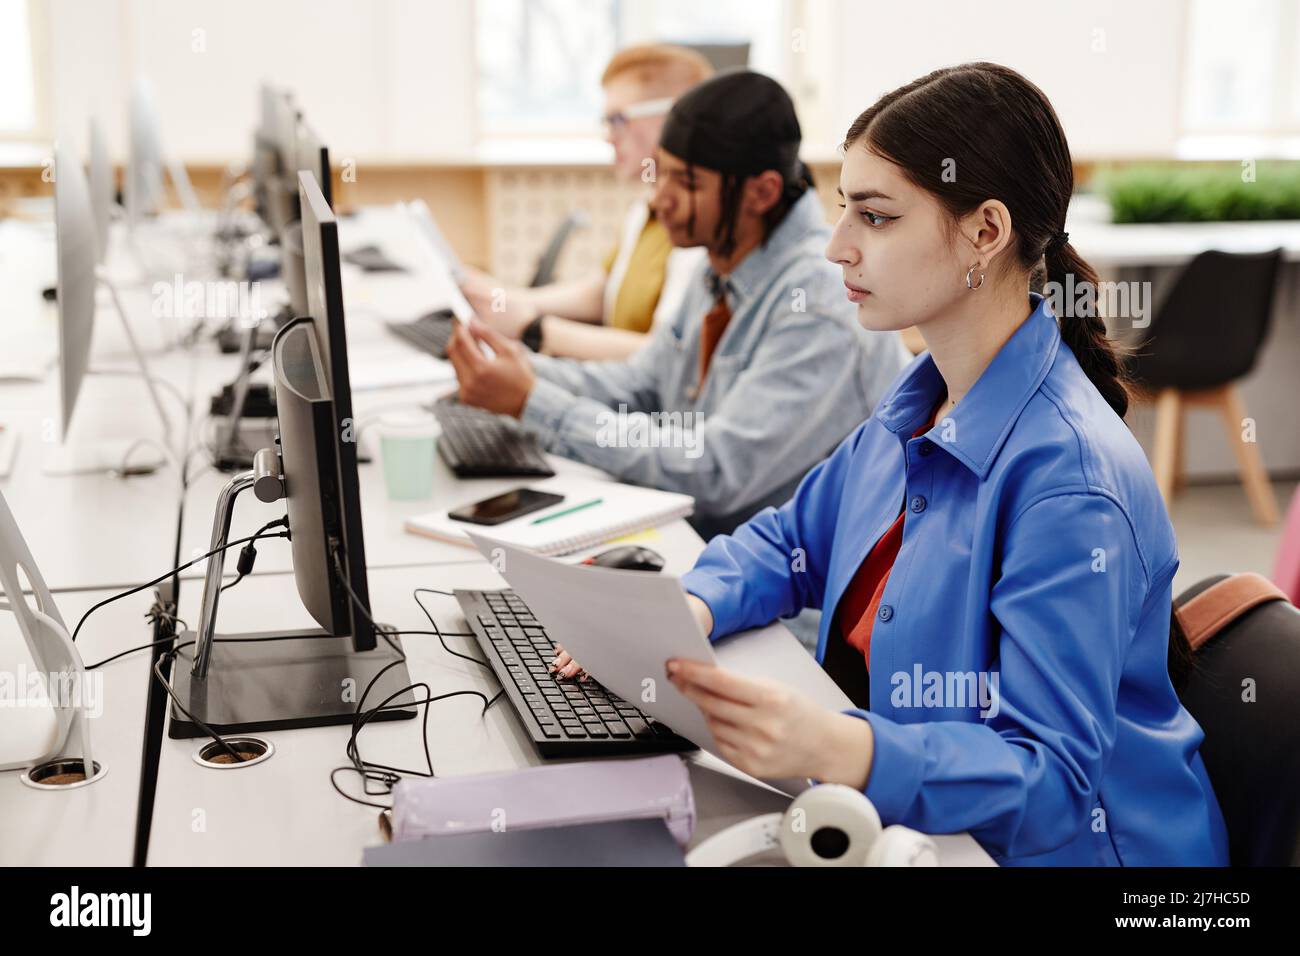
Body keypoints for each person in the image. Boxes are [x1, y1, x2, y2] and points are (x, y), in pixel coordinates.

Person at [561, 63, 1231, 866]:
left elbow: (1052, 785)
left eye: (875, 219)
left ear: (986, 232)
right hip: (926, 828)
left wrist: (848, 751)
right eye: (845, 210)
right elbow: (786, 543)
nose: (837, 248)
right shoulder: (920, 404)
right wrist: (691, 608)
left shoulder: (1070, 484)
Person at [447, 70, 910, 539]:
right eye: (660, 173)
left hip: (784, 599)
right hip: (703, 545)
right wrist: (511, 370)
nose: (658, 199)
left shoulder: (820, 303)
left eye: (686, 182)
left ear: (762, 192)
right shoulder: (722, 262)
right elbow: (645, 384)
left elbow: (713, 470)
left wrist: (534, 403)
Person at [460, 44, 712, 361]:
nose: (608, 135)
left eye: (619, 119)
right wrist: (503, 299)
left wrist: (534, 327)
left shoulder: (701, 229)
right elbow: (602, 292)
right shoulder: (644, 211)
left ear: (677, 116)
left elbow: (665, 360)